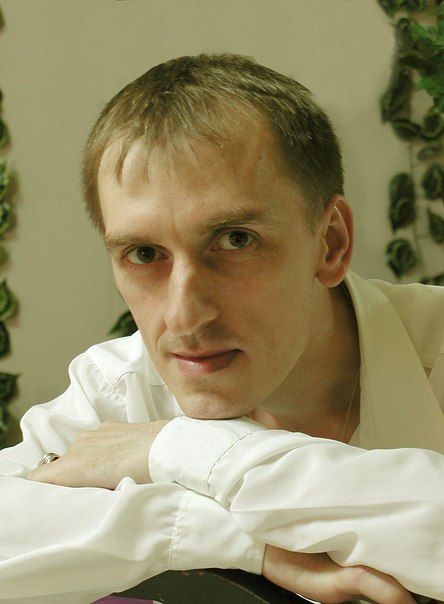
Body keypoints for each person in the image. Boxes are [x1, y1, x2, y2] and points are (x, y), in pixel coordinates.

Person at [0, 53, 443, 604]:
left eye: (236, 240)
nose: (185, 317)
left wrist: (182, 448)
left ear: (330, 243)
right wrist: (237, 542)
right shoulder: (116, 388)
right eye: (144, 254)